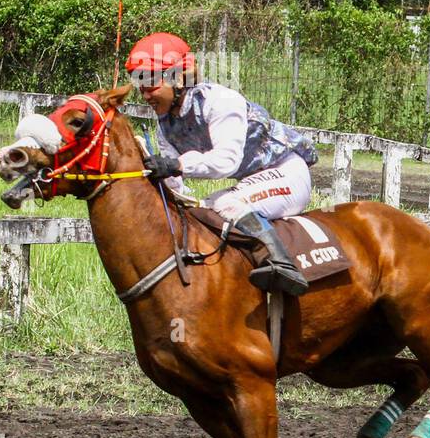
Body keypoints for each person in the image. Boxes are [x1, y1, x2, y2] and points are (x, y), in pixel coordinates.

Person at [126, 31, 318, 295]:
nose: (145, 95)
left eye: (150, 85)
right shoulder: (165, 125)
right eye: (140, 87)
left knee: (225, 204)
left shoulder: (220, 101)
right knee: (202, 210)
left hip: (287, 173)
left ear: (178, 78)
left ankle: (283, 265)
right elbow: (177, 188)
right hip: (253, 182)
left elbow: (226, 161)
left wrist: (177, 165)